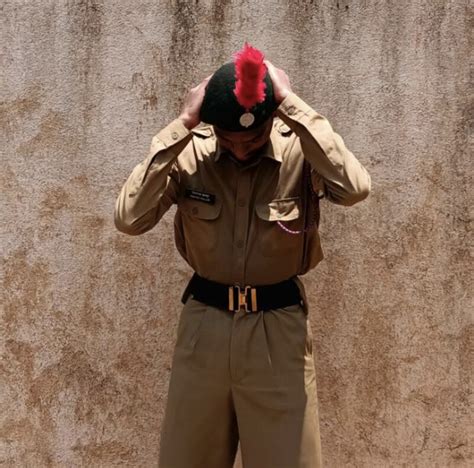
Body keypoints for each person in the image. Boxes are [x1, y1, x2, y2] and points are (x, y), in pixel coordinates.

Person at [114, 43, 371, 468]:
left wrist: (291, 103)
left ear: (272, 120)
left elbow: (355, 188)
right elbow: (129, 218)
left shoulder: (300, 150)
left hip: (278, 335)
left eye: (252, 139)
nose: (239, 149)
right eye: (228, 139)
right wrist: (182, 124)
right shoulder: (191, 153)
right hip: (204, 330)